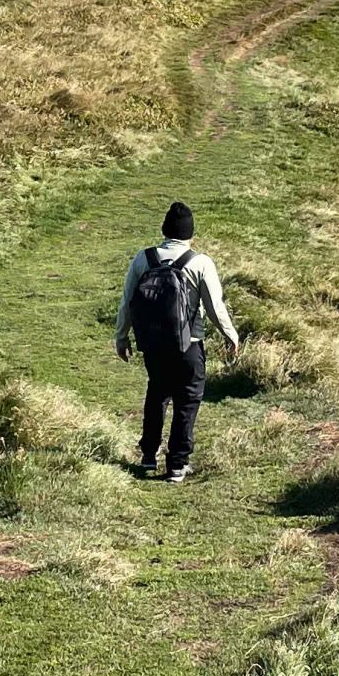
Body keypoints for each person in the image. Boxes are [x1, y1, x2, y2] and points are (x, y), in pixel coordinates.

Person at [115, 200, 241, 483]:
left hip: (154, 344)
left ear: (164, 230)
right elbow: (214, 307)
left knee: (157, 394)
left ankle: (148, 456)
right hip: (190, 344)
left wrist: (121, 337)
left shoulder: (143, 258)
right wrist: (230, 335)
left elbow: (127, 302)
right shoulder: (200, 263)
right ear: (189, 234)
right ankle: (177, 464)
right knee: (187, 400)